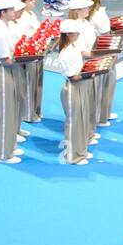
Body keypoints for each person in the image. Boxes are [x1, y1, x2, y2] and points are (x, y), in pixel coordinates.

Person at [47, 19, 91, 166]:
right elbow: (73, 76)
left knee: (81, 120)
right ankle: (72, 155)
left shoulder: (73, 47)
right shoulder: (65, 54)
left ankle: (80, 151)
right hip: (72, 88)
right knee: (73, 123)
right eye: (76, 32)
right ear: (69, 35)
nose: (78, 34)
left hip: (79, 86)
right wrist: (93, 72)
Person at [0, 0, 25, 164]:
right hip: (2, 72)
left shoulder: (6, 26)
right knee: (4, 113)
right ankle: (1, 153)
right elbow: (7, 60)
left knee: (11, 109)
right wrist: (29, 58)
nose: (14, 12)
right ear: (3, 12)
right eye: (11, 10)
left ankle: (9, 145)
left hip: (9, 70)